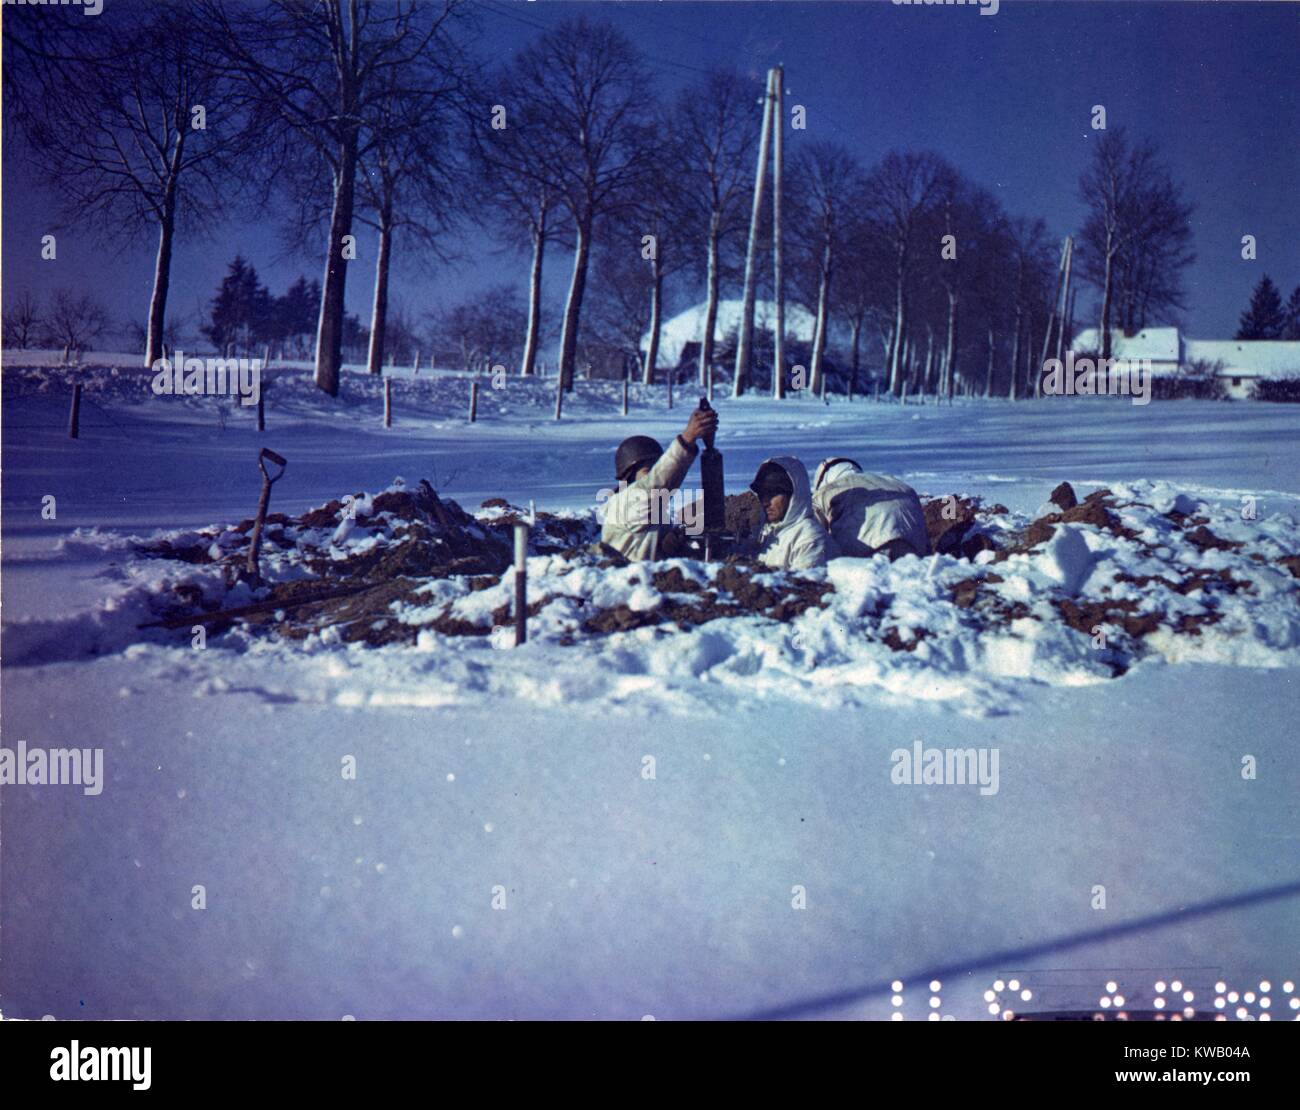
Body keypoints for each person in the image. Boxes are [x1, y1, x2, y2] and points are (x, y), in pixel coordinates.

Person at [600, 406, 718, 561]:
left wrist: (672, 544)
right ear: (628, 477)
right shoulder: (623, 504)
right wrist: (687, 439)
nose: (655, 474)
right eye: (648, 471)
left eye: (657, 468)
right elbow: (655, 483)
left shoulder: (650, 511)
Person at [810, 458, 930, 560]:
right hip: (913, 554)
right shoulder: (901, 485)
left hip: (863, 557)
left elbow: (813, 536)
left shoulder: (826, 491)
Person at [749, 456, 832, 571]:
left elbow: (804, 585)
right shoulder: (770, 534)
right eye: (762, 494)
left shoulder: (810, 538)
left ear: (793, 496)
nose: (765, 502)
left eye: (773, 494)